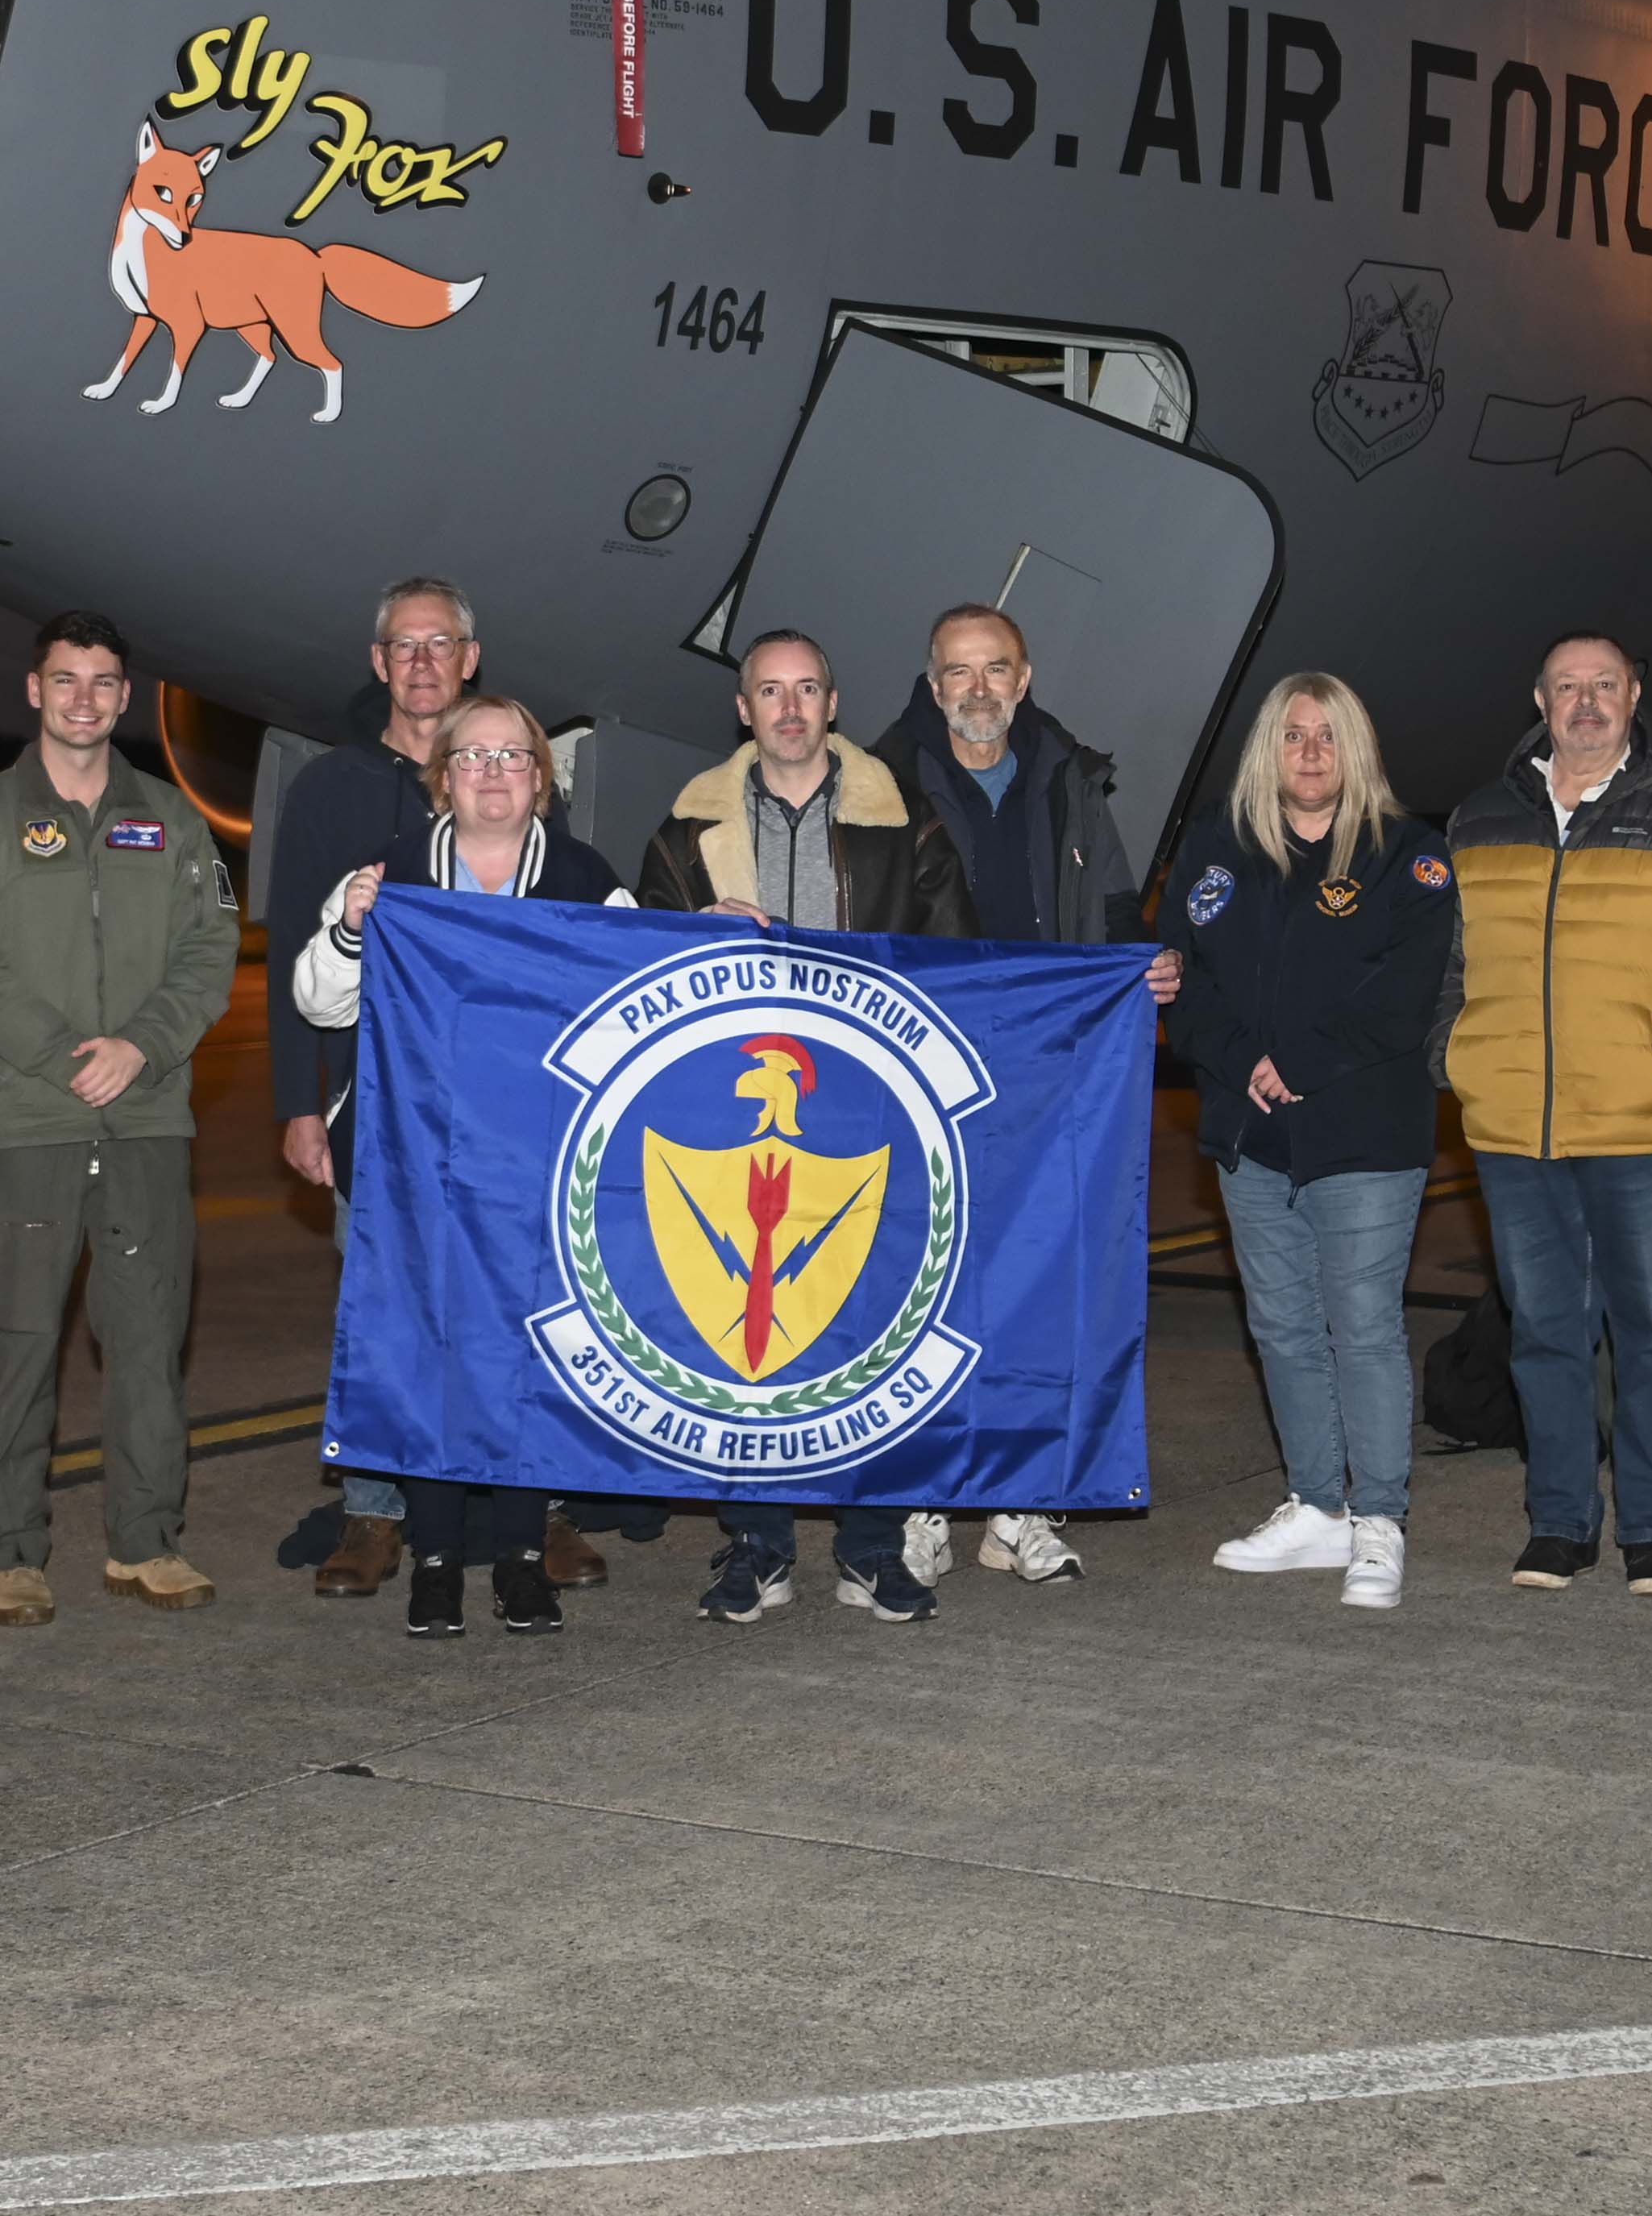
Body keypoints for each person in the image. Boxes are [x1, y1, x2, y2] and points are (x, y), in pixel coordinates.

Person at [258, 579, 600, 1597]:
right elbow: (306, 974)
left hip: (528, 1146)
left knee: (537, 1319)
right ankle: (375, 1513)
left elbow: (628, 967)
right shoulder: (359, 827)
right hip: (397, 1135)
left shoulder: (576, 867)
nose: (420, 661)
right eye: (402, 646)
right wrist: (300, 1101)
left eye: (438, 643)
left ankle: (540, 1512)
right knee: (391, 1321)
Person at [636, 626, 975, 1622]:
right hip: (734, 1110)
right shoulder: (683, 832)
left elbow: (959, 962)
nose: (789, 708)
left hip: (867, 1109)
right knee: (744, 1336)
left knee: (869, 1322)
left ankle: (871, 1547)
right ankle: (759, 1545)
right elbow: (636, 963)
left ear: (833, 703)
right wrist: (687, 935)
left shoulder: (904, 823)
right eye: (770, 691)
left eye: (807, 689)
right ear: (742, 708)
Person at [0, 608, 243, 1622]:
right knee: (12, 1341)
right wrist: (67, 1055)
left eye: (103, 681)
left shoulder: (170, 818)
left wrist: (141, 1044)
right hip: (27, 1119)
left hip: (145, 1116)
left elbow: (210, 947)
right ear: (35, 689)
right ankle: (12, 1552)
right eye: (66, 679)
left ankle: (147, 1542)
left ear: (124, 695)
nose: (84, 699)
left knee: (148, 1339)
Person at [1431, 632, 1652, 1596]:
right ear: (1539, 700)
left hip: (1649, 1126)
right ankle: (1560, 1522)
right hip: (1516, 1128)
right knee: (1544, 1334)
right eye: (1568, 686)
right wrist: (1455, 1054)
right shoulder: (1480, 817)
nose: (1586, 703)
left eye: (1605, 685)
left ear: (1634, 695)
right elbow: (1445, 955)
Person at [1158, 674, 1451, 1610]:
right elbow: (1180, 980)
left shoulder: (1408, 854)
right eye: (1294, 735)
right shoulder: (1217, 847)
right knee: (1282, 1325)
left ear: (1355, 749)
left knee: (1361, 1325)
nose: (1312, 752)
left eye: (1329, 735)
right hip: (1252, 1130)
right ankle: (1319, 1505)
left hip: (1363, 1132)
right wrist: (1243, 1060)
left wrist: (1300, 1062)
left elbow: (1405, 996)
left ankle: (1380, 1520)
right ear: (1268, 749)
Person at [869, 601, 1142, 1590]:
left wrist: (1139, 973)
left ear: (1023, 680)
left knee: (1030, 1288)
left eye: (996, 669)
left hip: (1042, 1072)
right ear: (932, 683)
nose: (977, 688)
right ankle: (921, 1502)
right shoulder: (881, 782)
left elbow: (1113, 907)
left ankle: (1016, 1504)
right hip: (922, 1072)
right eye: (958, 670)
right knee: (923, 1287)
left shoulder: (1071, 778)